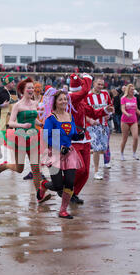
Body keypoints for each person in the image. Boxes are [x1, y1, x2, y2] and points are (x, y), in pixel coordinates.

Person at [0, 77, 50, 204]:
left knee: (36, 169)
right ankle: (4, 166)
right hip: (20, 138)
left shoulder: (35, 104)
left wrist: (39, 124)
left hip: (34, 138)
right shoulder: (17, 106)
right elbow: (11, 123)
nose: (31, 90)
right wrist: (22, 126)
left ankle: (39, 195)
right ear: (22, 91)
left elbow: (33, 118)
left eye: (32, 87)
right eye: (28, 88)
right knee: (19, 169)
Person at [39, 89, 84, 219]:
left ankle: (63, 210)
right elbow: (46, 137)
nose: (64, 101)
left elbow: (73, 134)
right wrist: (60, 146)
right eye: (61, 99)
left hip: (69, 153)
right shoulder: (51, 118)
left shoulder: (70, 116)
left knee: (70, 182)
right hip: (54, 153)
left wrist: (78, 135)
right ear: (55, 103)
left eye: (65, 99)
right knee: (58, 186)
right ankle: (44, 185)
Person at [69, 73, 113, 204]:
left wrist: (106, 110)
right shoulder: (72, 98)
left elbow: (93, 112)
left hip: (85, 138)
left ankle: (74, 193)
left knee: (86, 172)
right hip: (74, 139)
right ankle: (68, 189)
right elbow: (85, 91)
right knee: (80, 169)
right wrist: (87, 78)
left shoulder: (81, 101)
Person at [86, 78, 113, 180]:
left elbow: (111, 108)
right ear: (94, 84)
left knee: (103, 148)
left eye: (102, 85)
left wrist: (109, 115)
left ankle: (86, 152)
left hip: (104, 125)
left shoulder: (105, 95)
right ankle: (96, 171)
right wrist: (90, 120)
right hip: (92, 126)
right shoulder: (87, 96)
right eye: (98, 84)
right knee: (97, 148)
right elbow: (83, 112)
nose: (100, 87)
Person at [0, 75, 17, 145]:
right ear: (7, 83)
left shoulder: (14, 92)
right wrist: (2, 105)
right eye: (12, 82)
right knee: (2, 142)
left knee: (12, 142)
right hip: (1, 120)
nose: (14, 84)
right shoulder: (0, 92)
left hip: (12, 120)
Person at [120, 84, 140, 160]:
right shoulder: (123, 98)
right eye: (131, 89)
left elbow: (136, 109)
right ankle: (122, 153)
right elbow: (122, 109)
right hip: (125, 121)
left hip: (134, 120)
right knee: (125, 138)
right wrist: (126, 113)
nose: (132, 91)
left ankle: (134, 153)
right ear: (128, 90)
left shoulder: (135, 98)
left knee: (136, 137)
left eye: (133, 89)